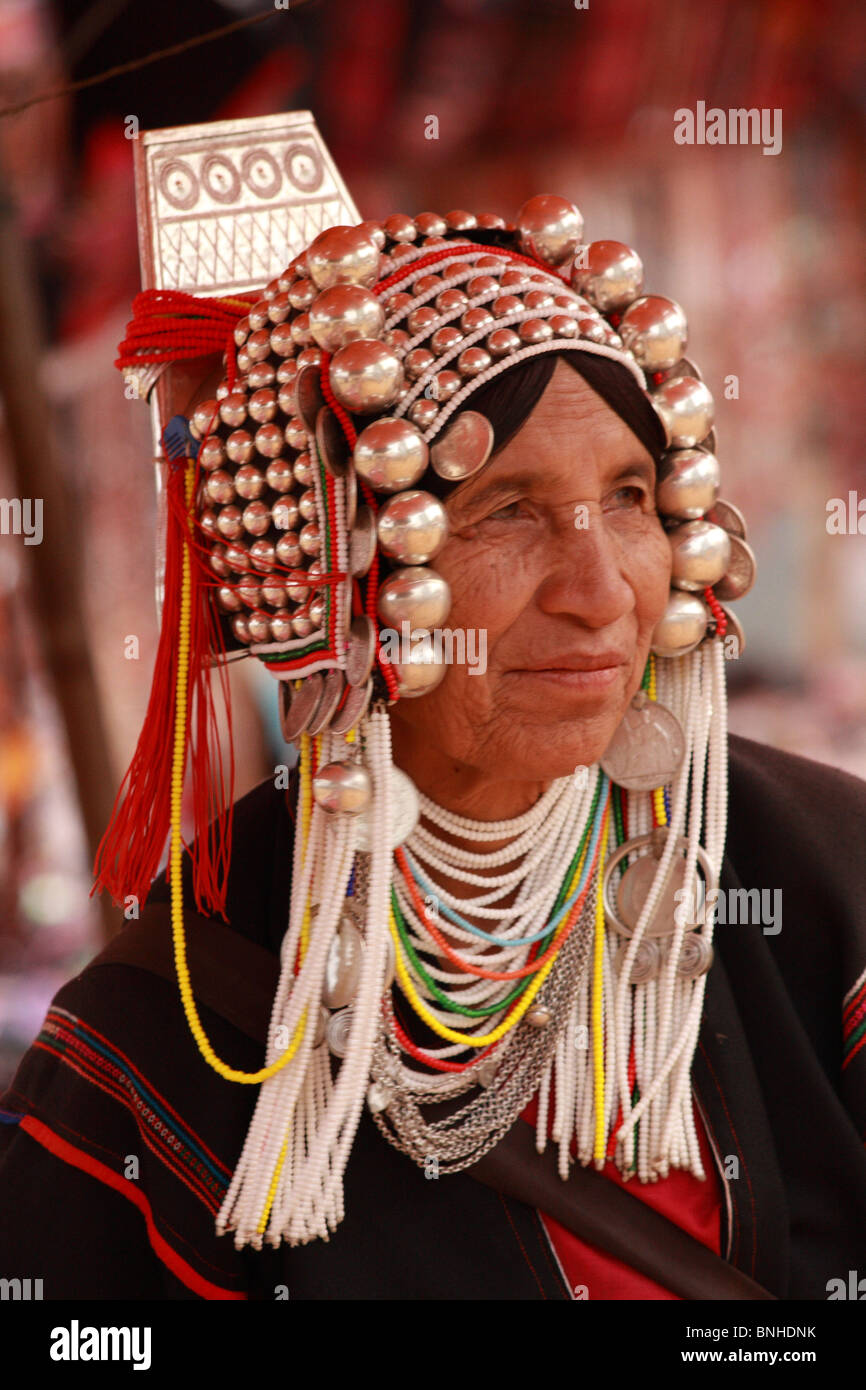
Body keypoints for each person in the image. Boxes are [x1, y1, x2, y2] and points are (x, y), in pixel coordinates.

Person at [2, 195, 865, 1302]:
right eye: (508, 510)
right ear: (344, 584)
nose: (600, 593)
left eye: (630, 498)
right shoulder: (175, 1025)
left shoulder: (816, 878)